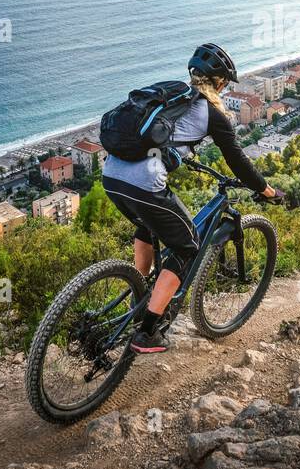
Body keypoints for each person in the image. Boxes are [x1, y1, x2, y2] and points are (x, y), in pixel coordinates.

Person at [101, 43, 279, 353]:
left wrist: (182, 157)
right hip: (143, 183)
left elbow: (163, 138)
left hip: (112, 175)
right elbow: (238, 161)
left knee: (148, 226)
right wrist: (266, 190)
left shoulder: (173, 96)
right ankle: (147, 333)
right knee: (187, 247)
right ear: (220, 83)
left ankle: (138, 292)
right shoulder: (212, 114)